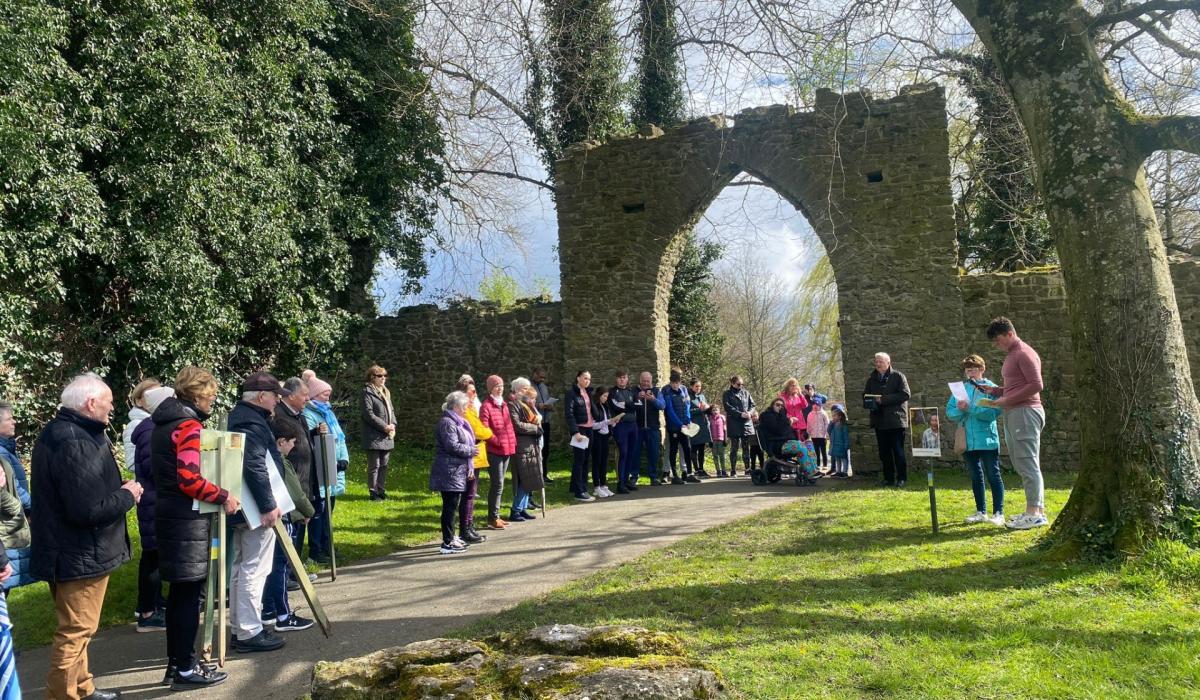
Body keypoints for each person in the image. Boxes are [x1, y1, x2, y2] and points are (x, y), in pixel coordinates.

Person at [31, 373, 142, 700]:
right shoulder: (74, 440)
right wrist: (128, 494)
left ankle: (83, 688)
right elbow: (87, 509)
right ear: (91, 403)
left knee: (79, 629)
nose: (112, 410)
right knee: (75, 632)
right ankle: (62, 696)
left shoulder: (65, 431)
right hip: (78, 552)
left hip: (72, 549)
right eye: (108, 403)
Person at [149, 368, 236, 689]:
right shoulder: (188, 426)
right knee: (188, 597)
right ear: (197, 395)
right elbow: (189, 478)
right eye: (211, 395)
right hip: (187, 520)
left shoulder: (161, 424)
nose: (213, 400)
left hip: (168, 514)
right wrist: (224, 496)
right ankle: (185, 669)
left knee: (178, 596)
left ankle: (176, 665)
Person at [226, 371, 289, 654]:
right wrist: (268, 505)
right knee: (254, 568)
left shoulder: (241, 417)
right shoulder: (251, 421)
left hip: (243, 507)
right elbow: (254, 465)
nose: (277, 402)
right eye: (276, 396)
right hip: (254, 508)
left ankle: (243, 627)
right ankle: (249, 631)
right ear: (262, 396)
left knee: (243, 567)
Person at [978, 317, 1047, 530]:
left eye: (998, 340)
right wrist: (996, 391)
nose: (997, 346)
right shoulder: (1012, 355)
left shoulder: (1024, 353)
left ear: (1010, 333)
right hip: (1015, 412)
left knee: (1027, 461)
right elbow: (1017, 385)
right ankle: (1034, 510)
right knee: (1021, 461)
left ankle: (1034, 513)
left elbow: (1036, 385)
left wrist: (1006, 400)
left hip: (1025, 412)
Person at [261, 418, 316, 633]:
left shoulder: (268, 458)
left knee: (271, 567)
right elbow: (296, 493)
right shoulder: (281, 462)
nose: (293, 446)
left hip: (278, 517)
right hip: (286, 518)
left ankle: (268, 610)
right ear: (281, 441)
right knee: (280, 568)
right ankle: (283, 614)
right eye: (292, 442)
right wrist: (309, 511)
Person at [130, 385, 175, 632]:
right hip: (154, 503)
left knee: (155, 556)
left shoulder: (151, 429)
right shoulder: (149, 432)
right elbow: (154, 469)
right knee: (153, 557)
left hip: (154, 501)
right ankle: (147, 612)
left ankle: (154, 604)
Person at [946, 355, 1005, 526]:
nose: (970, 373)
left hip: (987, 439)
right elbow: (950, 412)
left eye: (973, 369)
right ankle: (981, 511)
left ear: (982, 369)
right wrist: (961, 410)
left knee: (993, 475)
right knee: (975, 476)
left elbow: (993, 414)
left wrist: (970, 408)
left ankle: (998, 513)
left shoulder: (991, 388)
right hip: (968, 440)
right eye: (967, 370)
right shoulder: (960, 389)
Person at [273, 378, 323, 574]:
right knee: (290, 531)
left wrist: (314, 433)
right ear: (291, 395)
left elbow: (300, 440)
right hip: (290, 482)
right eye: (304, 395)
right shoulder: (278, 416)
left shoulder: (299, 414)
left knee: (299, 529)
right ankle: (288, 573)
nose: (307, 398)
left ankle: (294, 571)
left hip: (305, 480)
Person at [303, 371, 348, 565]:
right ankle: (316, 549)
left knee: (329, 511)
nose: (327, 396)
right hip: (321, 469)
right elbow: (314, 442)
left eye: (328, 393)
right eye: (323, 393)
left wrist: (344, 459)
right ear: (313, 395)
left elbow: (340, 439)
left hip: (335, 468)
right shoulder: (309, 414)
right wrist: (331, 462)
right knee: (319, 512)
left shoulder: (328, 413)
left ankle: (327, 544)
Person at [430, 391, 476, 554]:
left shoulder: (457, 422)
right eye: (464, 406)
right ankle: (447, 542)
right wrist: (471, 450)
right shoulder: (447, 423)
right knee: (449, 506)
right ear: (456, 407)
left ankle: (452, 536)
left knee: (452, 505)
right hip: (448, 470)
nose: (466, 409)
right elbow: (452, 446)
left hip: (455, 470)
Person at [864, 352, 911, 487]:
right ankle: (888, 478)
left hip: (896, 421)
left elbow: (906, 394)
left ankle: (901, 478)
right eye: (876, 361)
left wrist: (883, 400)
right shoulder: (871, 379)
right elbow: (865, 396)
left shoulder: (898, 376)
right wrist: (869, 401)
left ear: (888, 362)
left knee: (898, 451)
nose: (878, 364)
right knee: (884, 453)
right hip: (879, 421)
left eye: (880, 361)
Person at [454, 376, 489, 544]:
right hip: (470, 456)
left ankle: (469, 525)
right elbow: (480, 431)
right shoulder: (466, 411)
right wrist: (489, 433)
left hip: (476, 455)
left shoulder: (472, 409)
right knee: (468, 494)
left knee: (471, 494)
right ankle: (465, 529)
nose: (475, 394)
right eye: (472, 391)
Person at [479, 375, 517, 529]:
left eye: (501, 385)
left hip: (507, 449)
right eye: (496, 386)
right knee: (497, 484)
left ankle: (496, 516)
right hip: (494, 451)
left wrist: (512, 442)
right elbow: (484, 429)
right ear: (490, 388)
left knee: (500, 485)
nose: (500, 388)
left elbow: (509, 426)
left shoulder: (505, 405)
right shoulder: (486, 406)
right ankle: (492, 518)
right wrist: (498, 442)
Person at [507, 379, 544, 521]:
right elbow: (517, 425)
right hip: (521, 445)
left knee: (529, 478)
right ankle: (515, 510)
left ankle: (522, 508)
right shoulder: (512, 404)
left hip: (530, 444)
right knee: (523, 478)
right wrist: (535, 428)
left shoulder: (524, 404)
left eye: (528, 388)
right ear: (516, 389)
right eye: (524, 389)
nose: (526, 391)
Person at [361, 365, 395, 501]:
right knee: (374, 465)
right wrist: (384, 426)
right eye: (380, 376)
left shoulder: (386, 392)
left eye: (384, 376)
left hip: (386, 434)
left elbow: (391, 411)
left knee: (384, 464)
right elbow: (368, 414)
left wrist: (393, 425)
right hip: (373, 435)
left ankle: (381, 490)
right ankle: (373, 491)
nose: (383, 379)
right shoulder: (366, 392)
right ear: (372, 377)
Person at [564, 370, 596, 502]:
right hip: (580, 430)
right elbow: (569, 414)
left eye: (589, 379)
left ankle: (578, 486)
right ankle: (580, 491)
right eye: (584, 378)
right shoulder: (571, 394)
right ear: (578, 378)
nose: (587, 381)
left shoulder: (588, 392)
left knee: (585, 459)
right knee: (580, 461)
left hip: (589, 429)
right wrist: (575, 432)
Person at [662, 368, 698, 484]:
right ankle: (674, 475)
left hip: (685, 425)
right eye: (673, 383)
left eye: (677, 383)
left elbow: (687, 405)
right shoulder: (667, 390)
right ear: (670, 382)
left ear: (680, 382)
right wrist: (680, 424)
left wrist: (687, 420)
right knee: (673, 450)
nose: (675, 385)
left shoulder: (683, 390)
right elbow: (670, 410)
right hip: (674, 427)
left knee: (687, 448)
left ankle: (689, 473)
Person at [631, 372, 665, 485]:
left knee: (654, 453)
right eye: (644, 381)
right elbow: (628, 405)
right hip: (637, 427)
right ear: (640, 380)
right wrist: (636, 398)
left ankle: (653, 477)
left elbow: (662, 406)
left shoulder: (656, 391)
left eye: (648, 381)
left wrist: (653, 399)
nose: (646, 383)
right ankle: (634, 476)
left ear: (651, 381)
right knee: (635, 453)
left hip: (653, 428)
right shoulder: (633, 391)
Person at [608, 371, 639, 493]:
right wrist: (630, 406)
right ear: (616, 379)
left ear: (627, 379)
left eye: (624, 378)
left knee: (631, 453)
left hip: (633, 425)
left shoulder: (631, 391)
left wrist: (626, 404)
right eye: (620, 378)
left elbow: (638, 406)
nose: (622, 380)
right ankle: (620, 484)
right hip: (620, 426)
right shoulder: (612, 392)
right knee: (623, 453)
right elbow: (615, 407)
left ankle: (626, 481)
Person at [121, 378, 160, 469]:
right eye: (151, 395)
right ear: (139, 401)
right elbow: (131, 463)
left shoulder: (160, 421)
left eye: (159, 394)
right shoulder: (135, 425)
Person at [722, 376, 757, 478]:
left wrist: (750, 413)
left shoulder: (746, 392)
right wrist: (740, 414)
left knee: (746, 447)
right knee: (734, 447)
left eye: (742, 384)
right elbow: (728, 407)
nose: (740, 386)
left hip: (746, 423)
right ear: (732, 383)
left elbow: (753, 405)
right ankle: (733, 470)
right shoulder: (727, 394)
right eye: (738, 384)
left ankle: (747, 469)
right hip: (734, 423)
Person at [0, 403, 32, 512]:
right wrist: (33, 507)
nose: (14, 422)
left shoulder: (6, 448)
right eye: (9, 419)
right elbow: (13, 488)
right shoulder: (1, 452)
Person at [589, 384, 617, 498]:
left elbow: (607, 421)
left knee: (604, 462)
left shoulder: (605, 406)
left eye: (607, 396)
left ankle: (603, 485)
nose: (606, 398)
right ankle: (596, 486)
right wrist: (607, 422)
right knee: (597, 462)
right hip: (597, 436)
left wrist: (614, 422)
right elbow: (593, 425)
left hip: (605, 436)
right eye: (604, 396)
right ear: (599, 395)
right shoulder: (594, 406)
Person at [532, 368, 555, 482]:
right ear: (534, 374)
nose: (542, 379)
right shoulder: (529, 387)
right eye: (540, 377)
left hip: (546, 422)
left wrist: (550, 406)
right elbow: (525, 402)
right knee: (536, 449)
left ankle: (544, 475)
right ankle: (535, 475)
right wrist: (538, 405)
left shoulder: (544, 387)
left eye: (544, 377)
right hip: (535, 423)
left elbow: (547, 401)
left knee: (545, 450)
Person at [688, 379, 714, 478]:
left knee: (702, 449)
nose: (698, 388)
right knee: (694, 448)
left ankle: (702, 469)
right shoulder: (688, 397)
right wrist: (700, 409)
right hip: (694, 425)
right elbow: (688, 411)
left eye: (699, 386)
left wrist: (709, 409)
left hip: (703, 424)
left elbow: (706, 410)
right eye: (696, 386)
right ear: (691, 386)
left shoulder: (702, 396)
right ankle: (696, 470)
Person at [807, 397, 830, 472]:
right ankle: (817, 464)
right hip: (814, 436)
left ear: (820, 405)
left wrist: (827, 434)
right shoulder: (810, 414)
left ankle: (825, 465)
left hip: (822, 436)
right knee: (816, 451)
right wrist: (808, 433)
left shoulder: (823, 413)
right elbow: (809, 424)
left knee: (823, 451)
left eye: (817, 404)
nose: (815, 406)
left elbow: (827, 424)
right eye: (813, 404)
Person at [828, 404, 851, 478]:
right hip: (835, 445)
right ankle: (838, 471)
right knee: (837, 459)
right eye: (832, 416)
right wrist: (831, 423)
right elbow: (828, 431)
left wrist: (846, 445)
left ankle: (845, 472)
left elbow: (845, 436)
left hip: (841, 445)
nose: (833, 417)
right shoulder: (833, 425)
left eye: (835, 416)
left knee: (844, 459)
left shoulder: (843, 425)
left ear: (840, 416)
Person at [710, 405, 729, 477]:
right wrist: (710, 440)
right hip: (713, 440)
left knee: (722, 456)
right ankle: (718, 471)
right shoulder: (710, 418)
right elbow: (709, 429)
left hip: (721, 439)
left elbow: (725, 429)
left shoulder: (722, 417)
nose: (715, 411)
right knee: (715, 456)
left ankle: (723, 470)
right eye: (713, 410)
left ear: (719, 410)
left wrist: (725, 439)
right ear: (711, 411)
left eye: (716, 410)